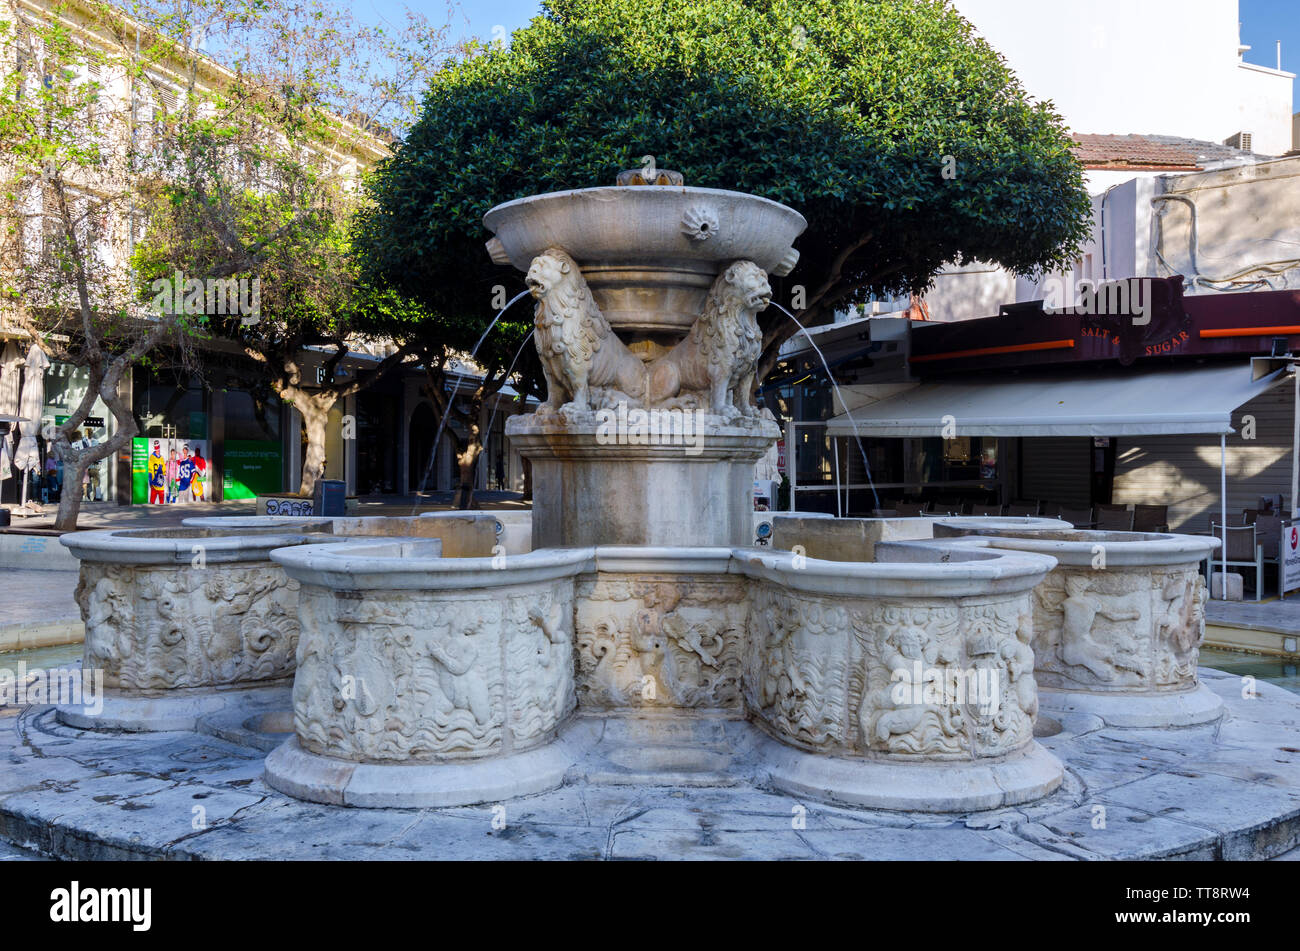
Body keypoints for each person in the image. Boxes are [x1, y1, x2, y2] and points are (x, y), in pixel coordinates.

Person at [148, 440, 166, 504]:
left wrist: (165, 472)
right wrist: (150, 481)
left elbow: (164, 469)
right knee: (152, 502)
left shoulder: (161, 458)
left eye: (158, 448)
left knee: (161, 502)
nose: (158, 450)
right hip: (154, 483)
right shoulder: (152, 457)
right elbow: (150, 470)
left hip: (160, 483)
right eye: (156, 448)